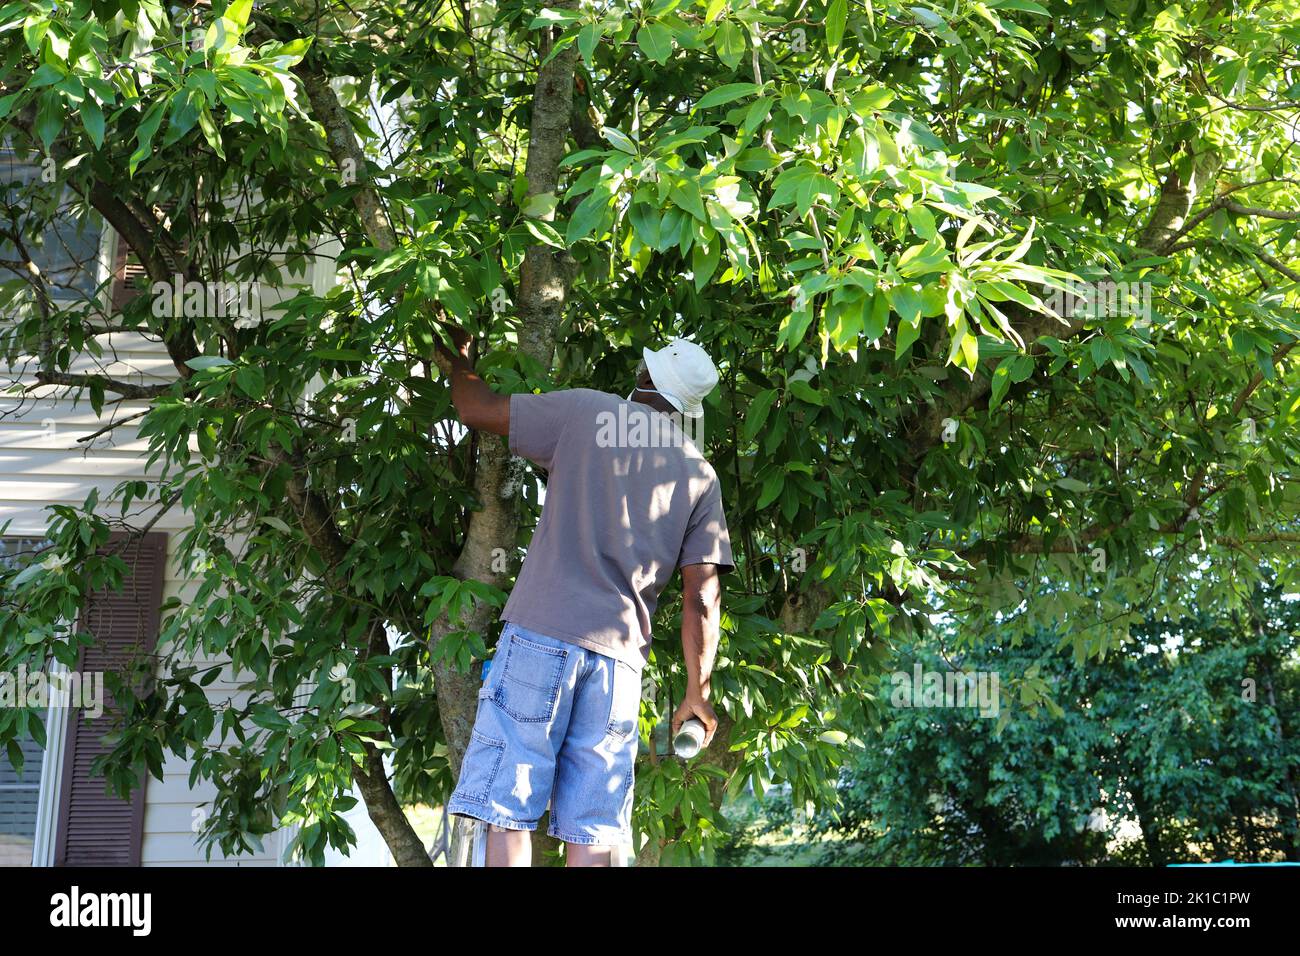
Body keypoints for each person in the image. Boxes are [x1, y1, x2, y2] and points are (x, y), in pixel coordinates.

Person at [436, 328, 734, 866]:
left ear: (644, 377)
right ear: (687, 407)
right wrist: (698, 690)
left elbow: (475, 408)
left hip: (542, 635)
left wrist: (459, 360)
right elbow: (703, 598)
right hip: (619, 666)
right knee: (594, 828)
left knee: (506, 808)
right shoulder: (699, 476)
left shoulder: (587, 412)